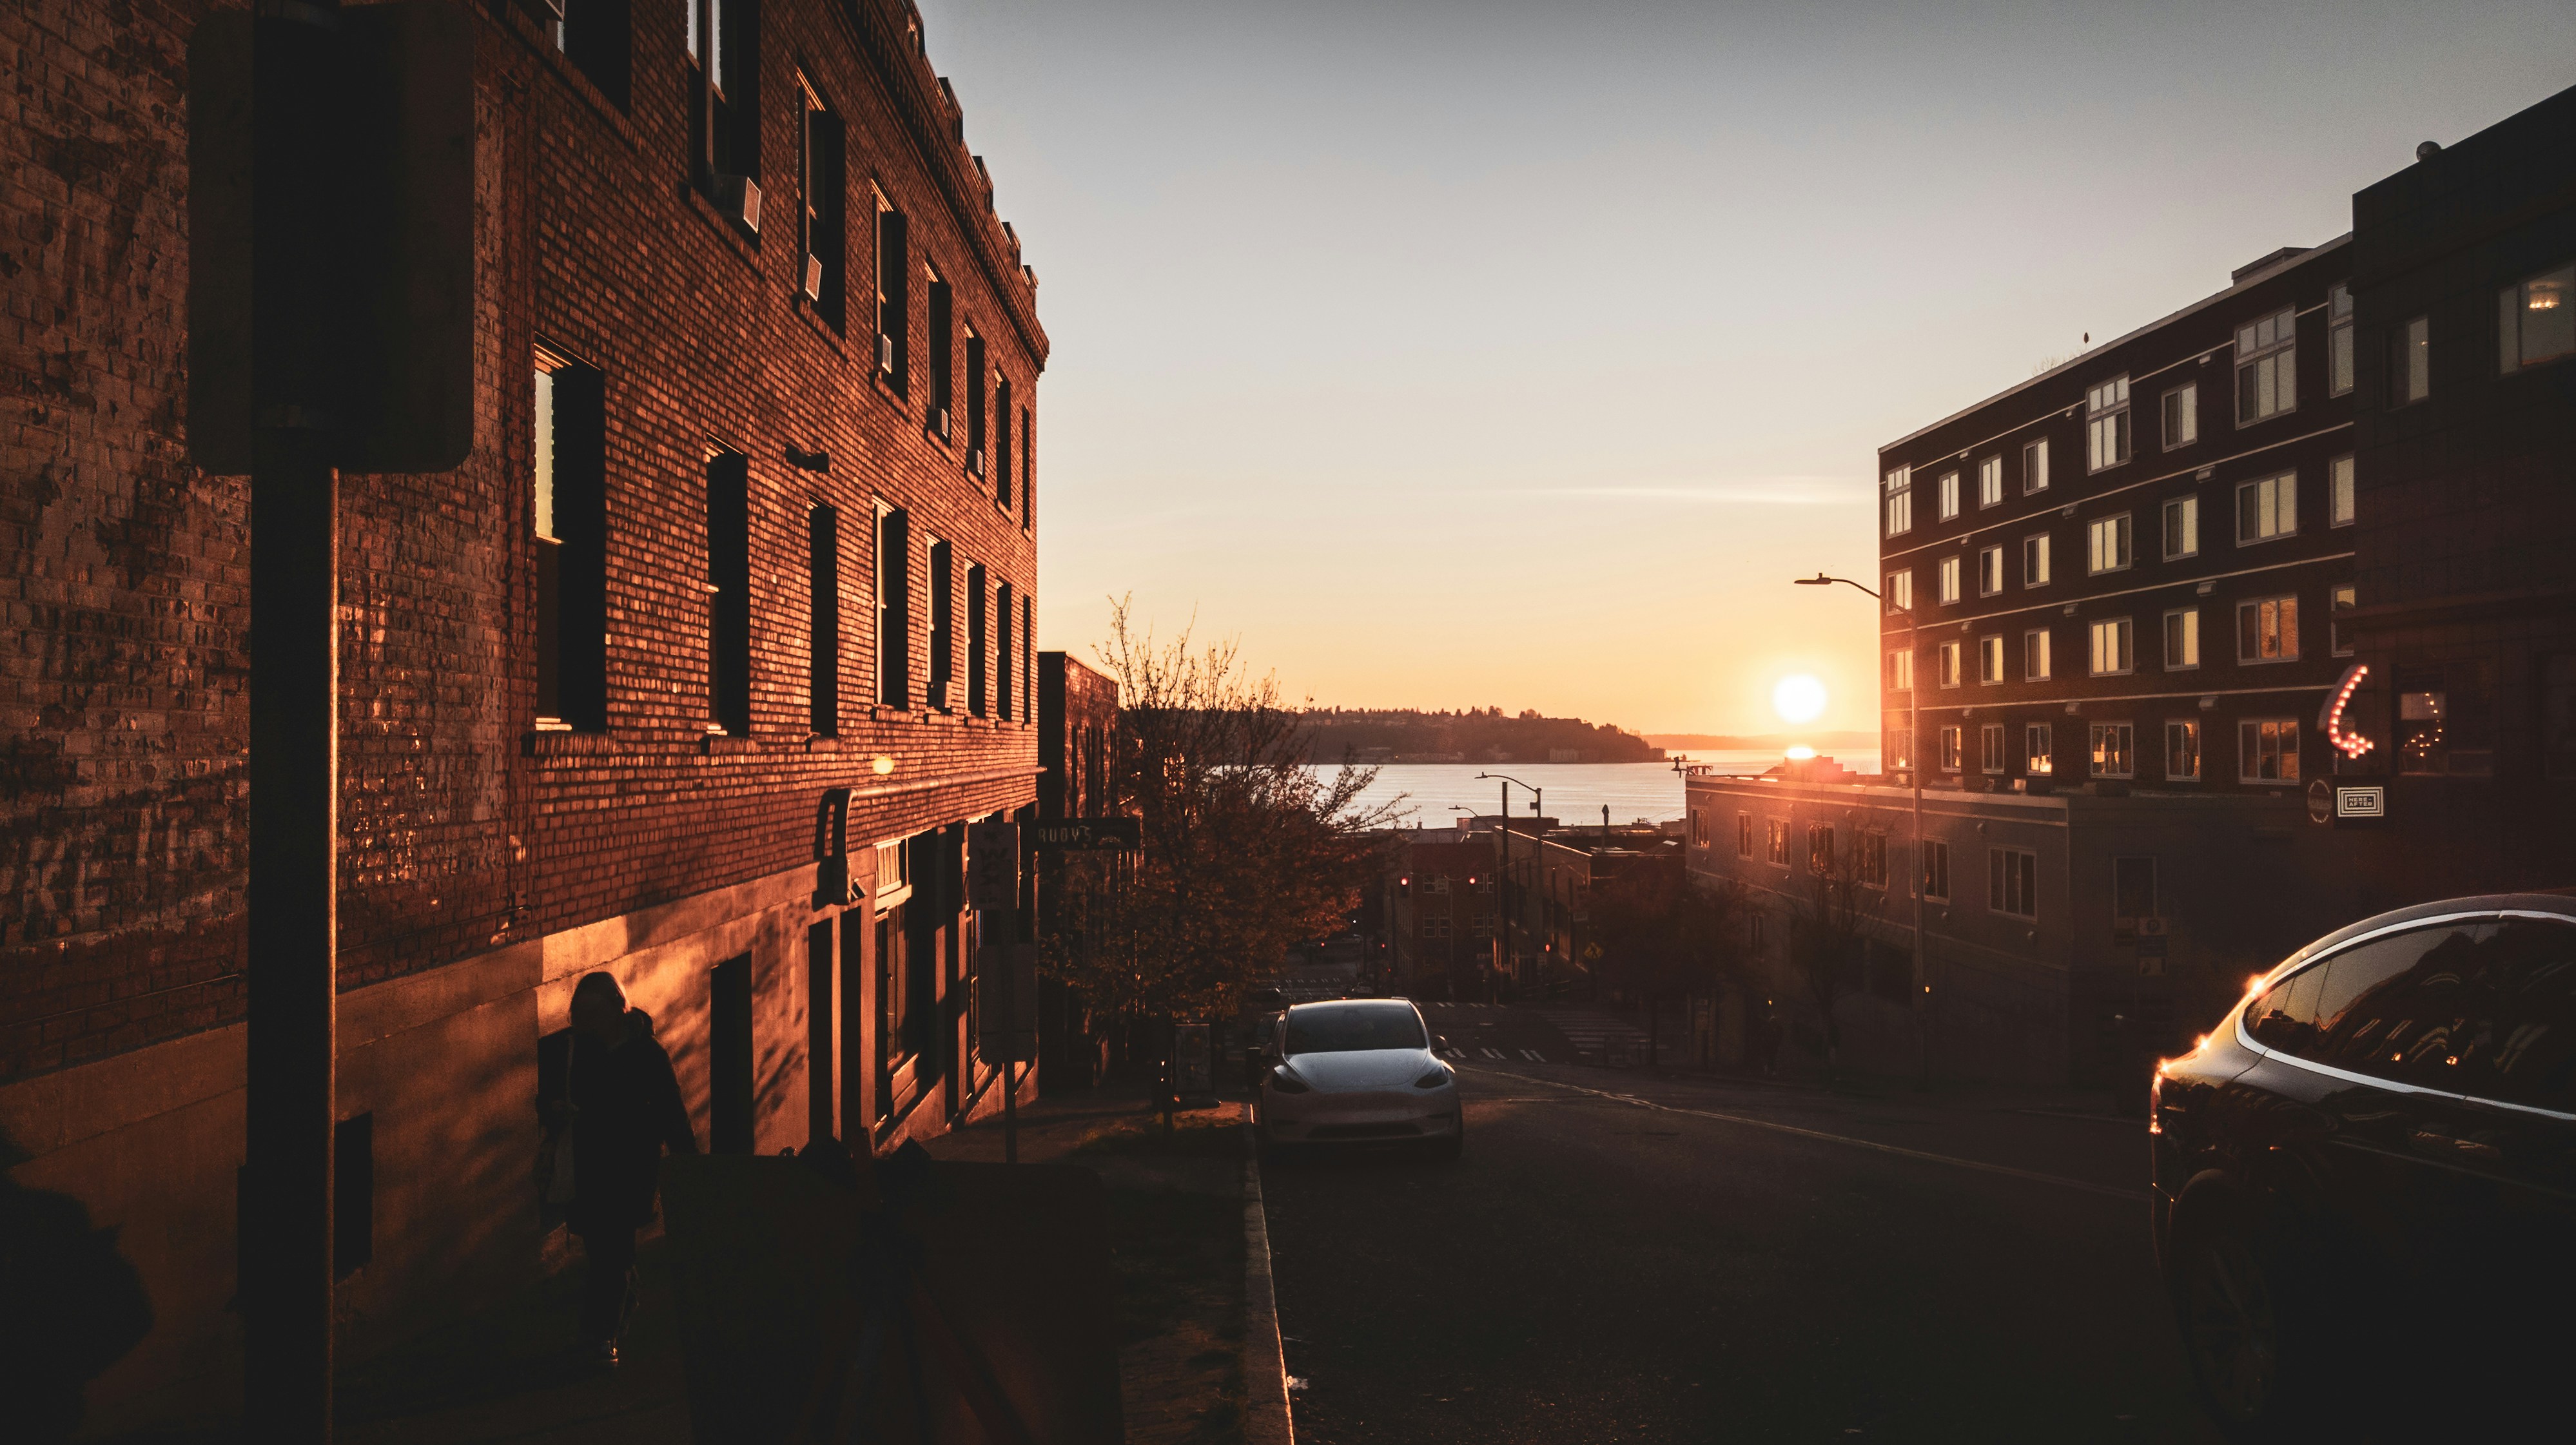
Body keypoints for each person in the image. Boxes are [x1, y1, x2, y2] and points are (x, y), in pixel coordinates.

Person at [536, 972, 698, 1369]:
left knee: (611, 1253)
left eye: (592, 1012)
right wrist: (554, 1111)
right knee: (605, 1252)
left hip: (628, 1168)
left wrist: (686, 1162)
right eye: (580, 1014)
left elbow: (670, 1111)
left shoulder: (646, 1054)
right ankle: (616, 1313)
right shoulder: (577, 1051)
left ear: (615, 1007)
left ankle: (599, 1337)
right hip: (589, 1167)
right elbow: (549, 1095)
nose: (584, 1022)